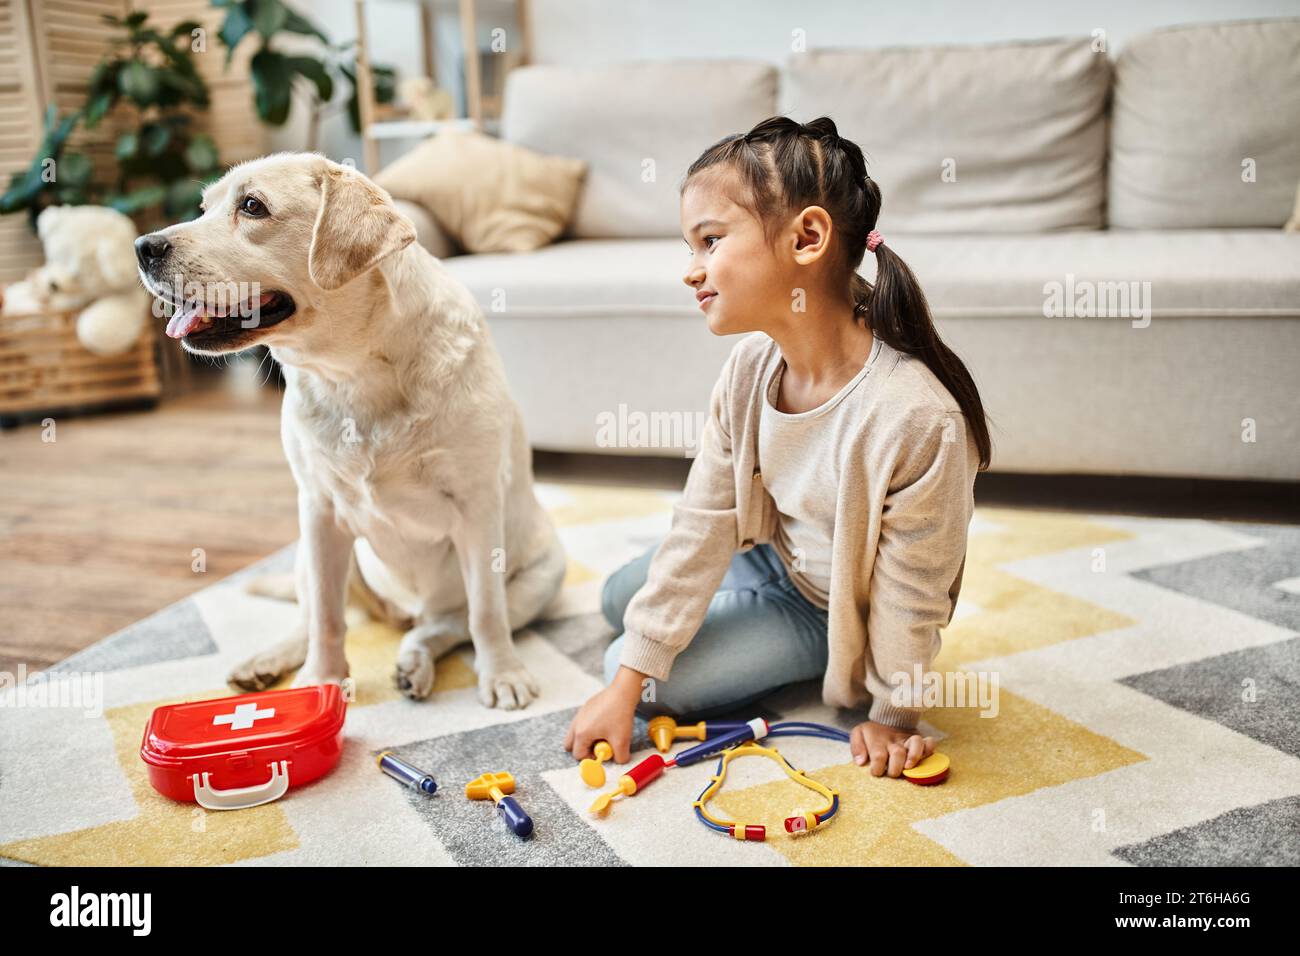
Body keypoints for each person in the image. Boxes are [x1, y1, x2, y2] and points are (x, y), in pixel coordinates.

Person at [563, 116, 993, 778]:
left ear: (807, 238)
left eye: (709, 241)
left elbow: (916, 592)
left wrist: (890, 714)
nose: (691, 271)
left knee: (634, 673)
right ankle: (676, 628)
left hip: (826, 612)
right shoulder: (750, 367)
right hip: (768, 552)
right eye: (690, 247)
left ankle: (773, 646)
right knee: (618, 600)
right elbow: (704, 520)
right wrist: (631, 673)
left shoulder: (915, 418)